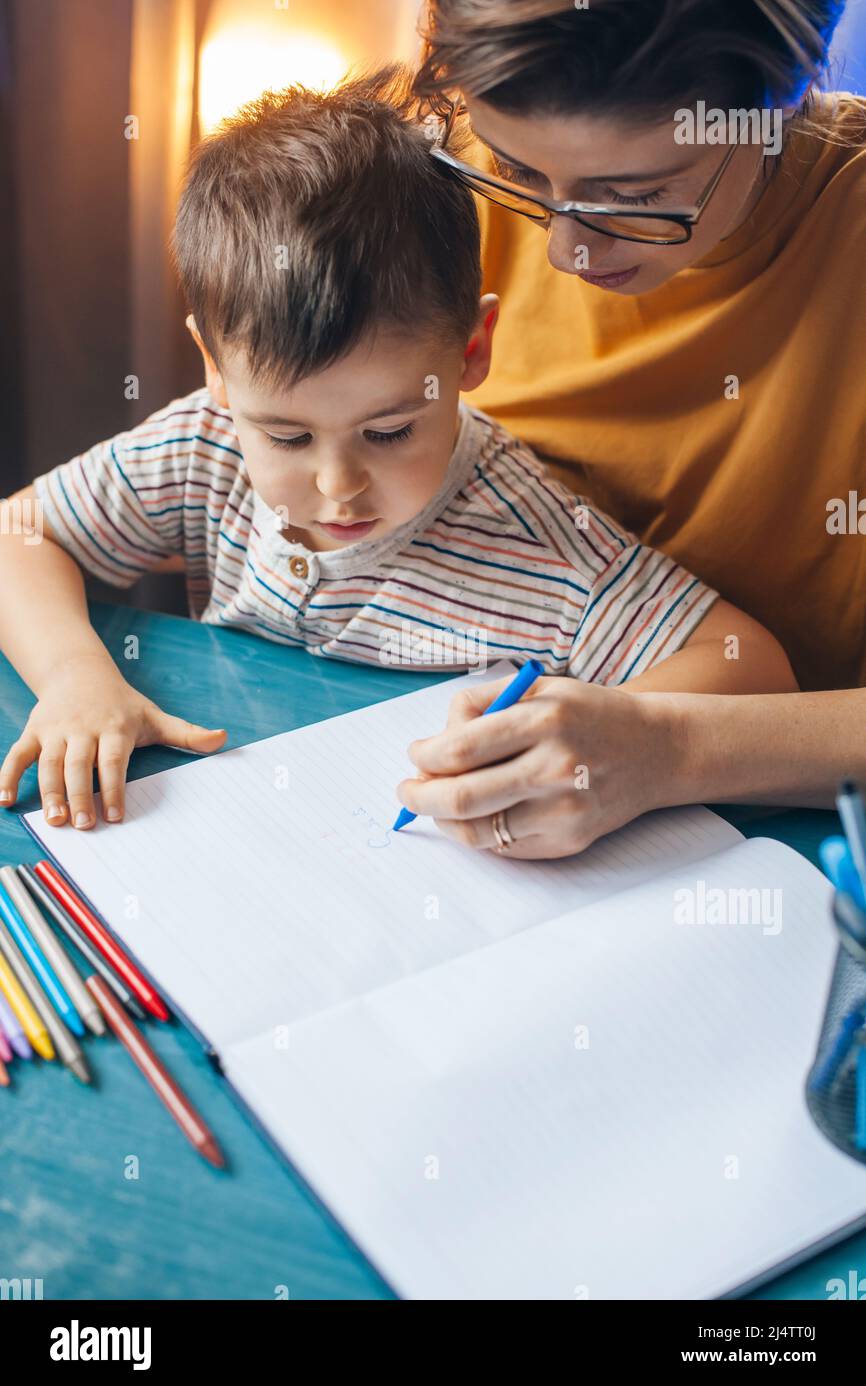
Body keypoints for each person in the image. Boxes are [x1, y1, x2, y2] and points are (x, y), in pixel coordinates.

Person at [0, 69, 793, 838]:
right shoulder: (206, 442)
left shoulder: (540, 538)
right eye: (286, 436)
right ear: (213, 363)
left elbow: (750, 668)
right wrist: (76, 676)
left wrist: (608, 735)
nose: (337, 485)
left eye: (389, 432)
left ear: (470, 352)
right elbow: (17, 534)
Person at [394, 0, 866, 858]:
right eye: (521, 170)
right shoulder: (437, 179)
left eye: (637, 195)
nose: (567, 255)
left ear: (778, 101)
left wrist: (672, 749)